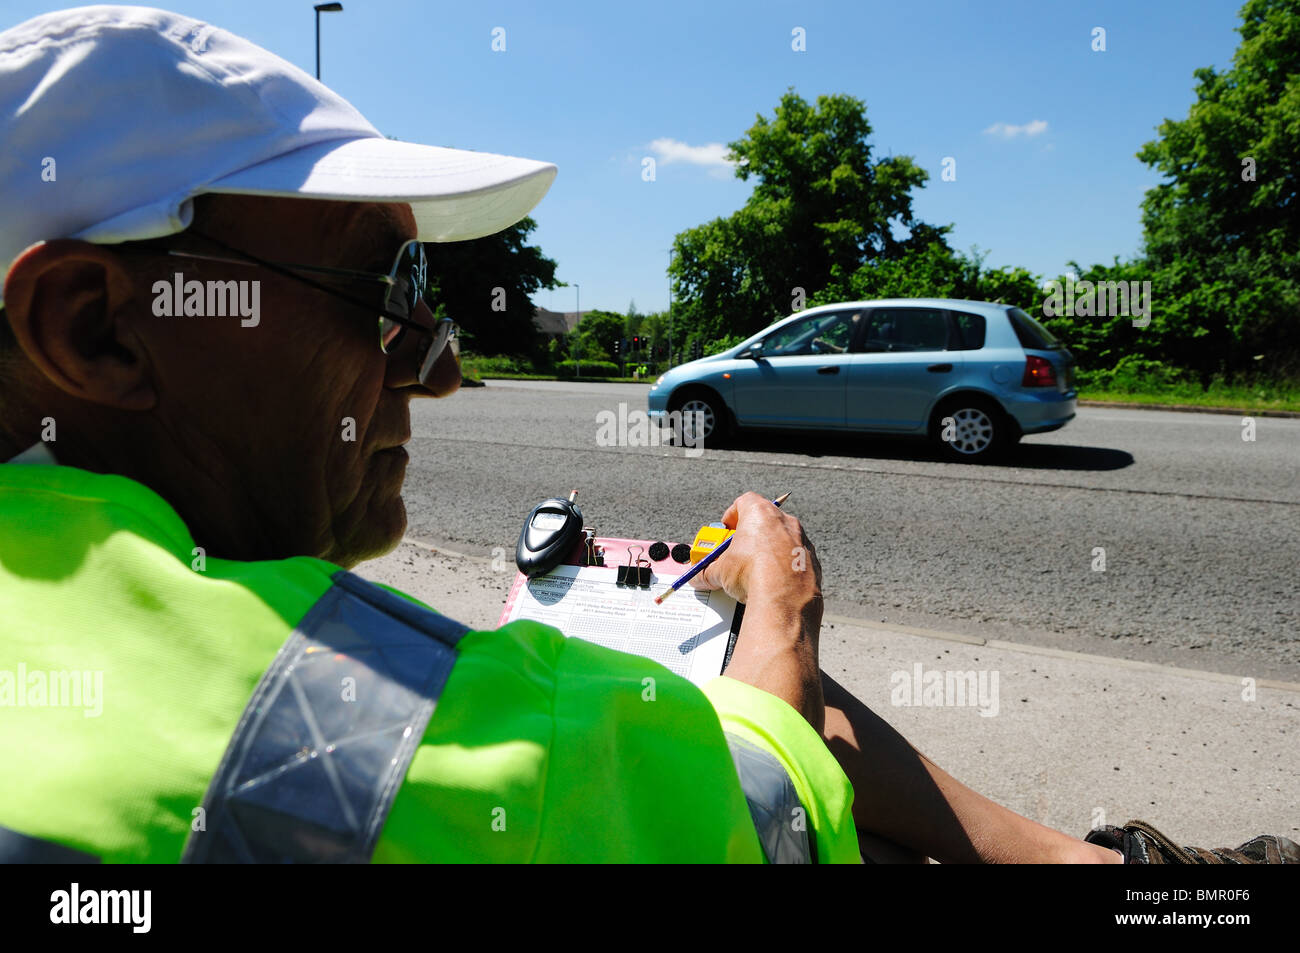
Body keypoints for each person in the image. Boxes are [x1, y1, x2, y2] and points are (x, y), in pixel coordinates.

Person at [0, 6, 1292, 865]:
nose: (439, 370)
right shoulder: (311, 714)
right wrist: (780, 600)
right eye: (392, 297)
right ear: (96, 329)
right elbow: (755, 806)